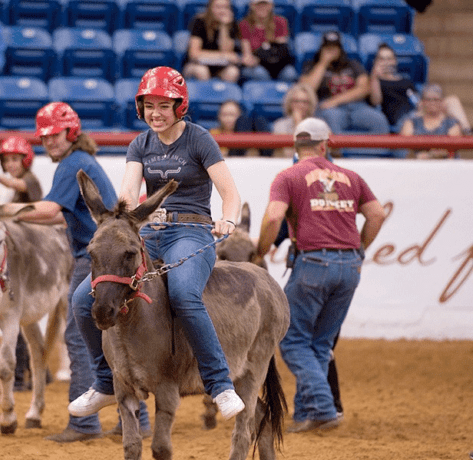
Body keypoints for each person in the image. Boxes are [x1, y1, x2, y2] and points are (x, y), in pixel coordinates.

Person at [70, 66, 246, 423]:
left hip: (191, 232)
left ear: (179, 106)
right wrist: (120, 226)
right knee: (79, 299)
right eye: (149, 105)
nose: (155, 113)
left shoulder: (199, 139)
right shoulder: (140, 144)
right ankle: (105, 382)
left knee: (183, 293)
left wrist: (228, 218)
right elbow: (128, 197)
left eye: (163, 105)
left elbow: (230, 194)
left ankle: (220, 383)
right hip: (147, 233)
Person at [0, 102, 150, 443]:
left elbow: (50, 208)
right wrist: (19, 214)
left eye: (55, 134)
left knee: (80, 335)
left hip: (94, 258)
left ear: (72, 133)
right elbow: (61, 214)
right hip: (108, 257)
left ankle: (84, 423)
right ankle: (136, 419)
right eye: (45, 136)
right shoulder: (78, 161)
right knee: (110, 335)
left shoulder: (72, 164)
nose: (49, 141)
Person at [255, 118, 386, 433]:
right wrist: (359, 247)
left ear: (296, 145)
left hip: (313, 262)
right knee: (320, 342)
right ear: (325, 145)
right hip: (349, 266)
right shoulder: (352, 177)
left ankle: (324, 408)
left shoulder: (289, 175)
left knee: (291, 338)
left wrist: (259, 250)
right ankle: (308, 412)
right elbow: (377, 214)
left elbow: (274, 216)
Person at [0, 136, 44, 392]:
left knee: (17, 316)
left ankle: (23, 374)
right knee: (19, 319)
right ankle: (35, 370)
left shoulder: (28, 181)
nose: (10, 164)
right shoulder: (18, 187)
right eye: (7, 160)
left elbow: (21, 184)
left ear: (26, 160)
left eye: (14, 159)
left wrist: (0, 180)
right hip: (24, 251)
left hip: (29, 252)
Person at [299, 31, 390, 137]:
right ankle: (339, 153)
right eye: (328, 48)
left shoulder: (353, 64)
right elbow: (307, 88)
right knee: (330, 119)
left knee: (379, 120)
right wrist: (323, 63)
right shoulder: (312, 65)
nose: (331, 51)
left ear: (340, 49)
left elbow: (364, 88)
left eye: (335, 47)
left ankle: (375, 153)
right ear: (321, 49)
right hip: (329, 108)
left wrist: (336, 101)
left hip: (357, 106)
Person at [369, 43, 471, 135]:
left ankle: (468, 133)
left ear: (395, 61)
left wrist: (428, 106)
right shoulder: (376, 82)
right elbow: (376, 100)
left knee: (452, 100)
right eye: (382, 59)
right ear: (376, 61)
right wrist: (374, 77)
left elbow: (416, 99)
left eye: (389, 58)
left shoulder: (405, 81)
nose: (386, 62)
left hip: (419, 110)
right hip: (402, 118)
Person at [181, 0, 241, 83]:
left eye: (225, 7)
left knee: (233, 72)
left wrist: (224, 27)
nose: (222, 11)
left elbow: (227, 51)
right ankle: (204, 95)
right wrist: (223, 55)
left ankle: (224, 95)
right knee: (202, 71)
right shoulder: (199, 21)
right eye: (218, 7)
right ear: (210, 8)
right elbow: (194, 54)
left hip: (220, 67)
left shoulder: (231, 23)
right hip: (196, 65)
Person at [399, 83, 463, 159]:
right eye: (428, 99)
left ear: (442, 101)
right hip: (419, 166)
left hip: (445, 166)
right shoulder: (412, 121)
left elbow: (453, 146)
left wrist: (429, 155)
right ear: (422, 102)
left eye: (436, 99)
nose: (432, 103)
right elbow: (405, 142)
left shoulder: (451, 122)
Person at [238, 0, 296, 82]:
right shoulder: (244, 24)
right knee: (260, 74)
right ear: (252, 6)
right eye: (258, 5)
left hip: (277, 64)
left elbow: (282, 50)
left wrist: (260, 56)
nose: (262, 8)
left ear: (271, 6)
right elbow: (247, 56)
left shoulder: (280, 22)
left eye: (265, 5)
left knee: (290, 74)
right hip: (257, 66)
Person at [272, 82, 319, 157]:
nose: (300, 105)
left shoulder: (318, 125)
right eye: (296, 101)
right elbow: (288, 154)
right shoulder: (280, 125)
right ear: (290, 103)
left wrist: (299, 123)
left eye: (305, 102)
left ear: (310, 104)